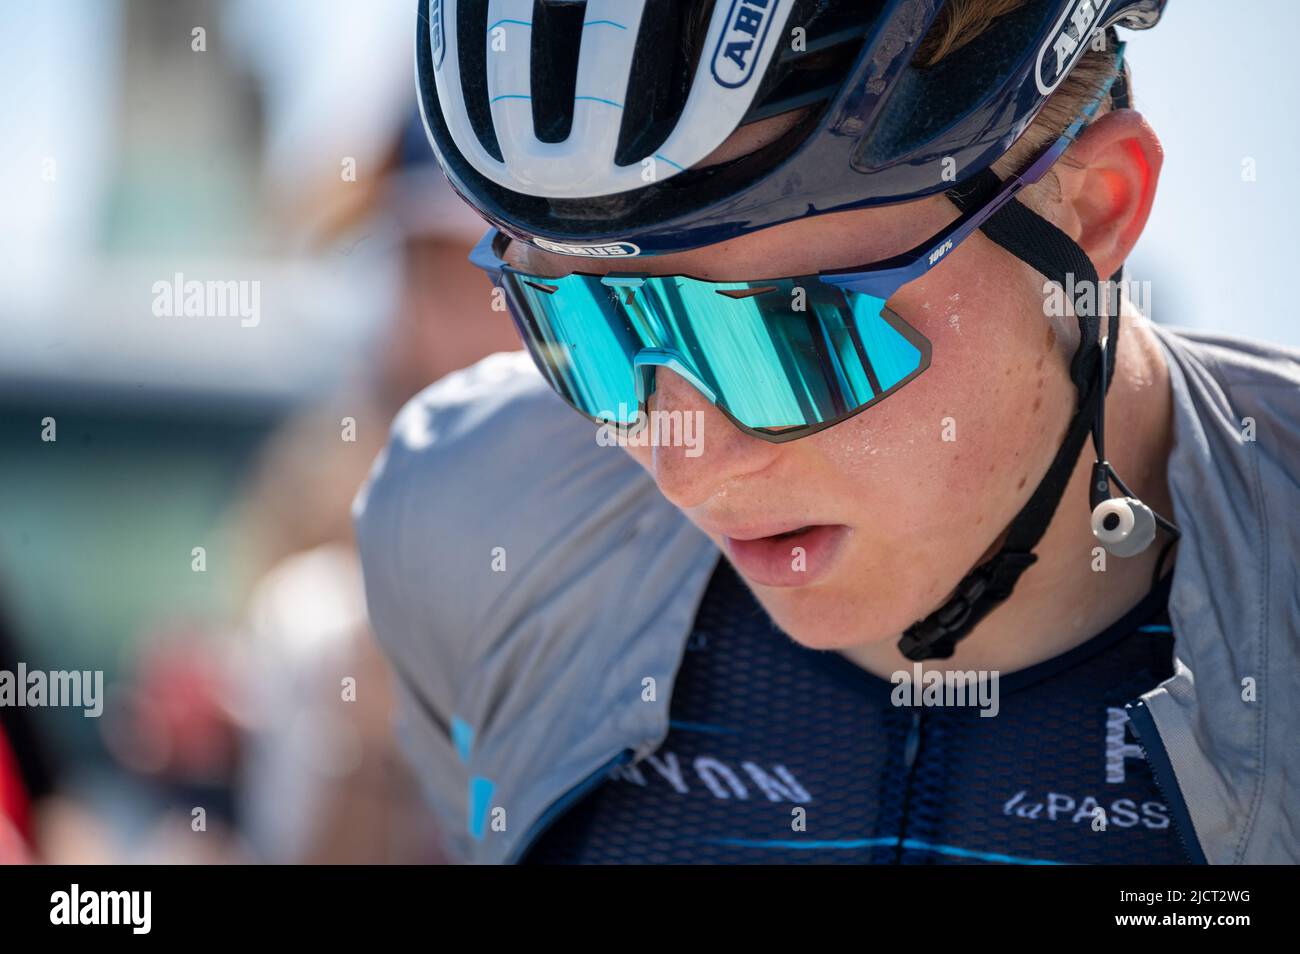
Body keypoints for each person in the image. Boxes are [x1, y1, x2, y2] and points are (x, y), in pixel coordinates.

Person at [353, 0, 1300, 864]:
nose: (687, 469)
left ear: (1094, 209)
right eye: (582, 330)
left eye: (794, 336)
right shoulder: (466, 517)